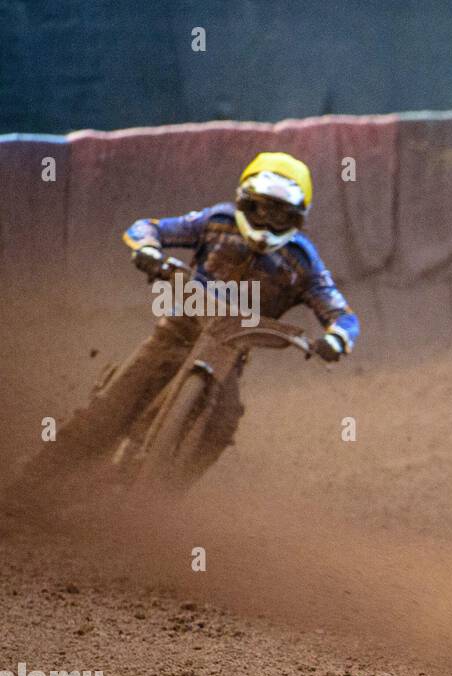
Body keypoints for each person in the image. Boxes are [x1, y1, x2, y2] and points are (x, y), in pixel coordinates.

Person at [17, 152, 358, 487]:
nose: (267, 223)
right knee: (108, 412)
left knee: (222, 426)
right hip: (178, 332)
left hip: (229, 353)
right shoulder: (216, 222)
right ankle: (28, 487)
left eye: (281, 216)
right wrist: (148, 251)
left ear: (298, 221)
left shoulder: (303, 261)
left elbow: (341, 313)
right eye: (260, 209)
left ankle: (162, 499)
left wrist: (336, 338)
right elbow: (148, 228)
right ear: (243, 202)